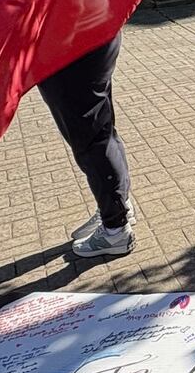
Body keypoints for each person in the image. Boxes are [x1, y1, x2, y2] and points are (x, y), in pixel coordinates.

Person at [37, 34, 136, 259]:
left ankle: (115, 229)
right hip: (92, 31)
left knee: (91, 139)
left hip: (67, 44)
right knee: (102, 130)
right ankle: (118, 206)